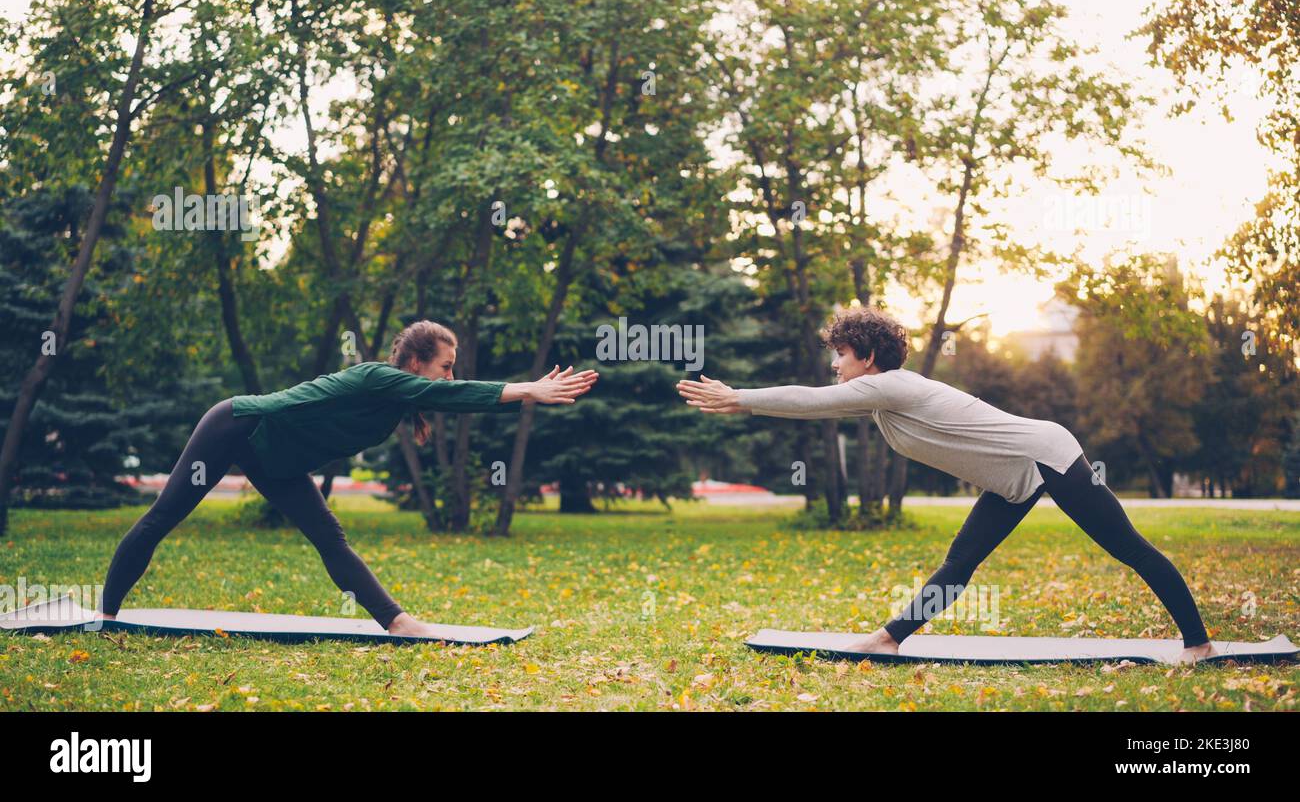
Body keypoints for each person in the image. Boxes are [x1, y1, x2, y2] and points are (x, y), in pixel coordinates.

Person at [676, 305, 1217, 665]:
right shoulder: (884, 401)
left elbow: (813, 401)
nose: (835, 365)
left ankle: (1198, 643)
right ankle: (889, 639)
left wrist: (742, 397)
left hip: (1047, 454)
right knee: (960, 563)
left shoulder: (892, 387)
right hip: (1014, 478)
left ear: (867, 356)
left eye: (841, 354)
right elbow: (823, 397)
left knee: (1127, 548)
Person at [95, 320, 598, 638]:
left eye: (452, 369)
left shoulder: (397, 403)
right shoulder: (378, 377)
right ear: (416, 361)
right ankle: (108, 617)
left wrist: (523, 392)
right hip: (237, 427)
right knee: (164, 516)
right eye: (443, 367)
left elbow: (446, 397)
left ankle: (397, 623)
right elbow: (455, 396)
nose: (447, 377)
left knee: (330, 538)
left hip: (278, 460)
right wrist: (528, 389)